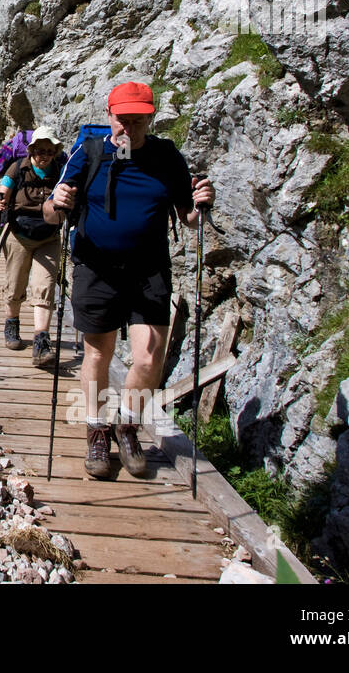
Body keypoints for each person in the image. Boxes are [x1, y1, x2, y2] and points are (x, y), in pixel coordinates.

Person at [43, 82, 215, 480]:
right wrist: (59, 204)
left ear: (150, 119)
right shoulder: (90, 152)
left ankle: (128, 427)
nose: (129, 128)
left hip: (149, 270)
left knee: (149, 358)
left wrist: (202, 205)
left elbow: (188, 219)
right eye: (123, 119)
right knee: (98, 353)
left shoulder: (166, 157)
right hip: (96, 266)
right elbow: (53, 213)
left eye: (138, 120)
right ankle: (97, 430)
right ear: (110, 116)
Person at [0, 125, 66, 368]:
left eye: (49, 151)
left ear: (55, 152)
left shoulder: (61, 172)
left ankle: (41, 341)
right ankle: (11, 323)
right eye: (40, 150)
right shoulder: (18, 168)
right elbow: (4, 188)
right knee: (15, 285)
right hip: (19, 235)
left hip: (49, 237)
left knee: (44, 286)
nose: (44, 155)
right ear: (31, 150)